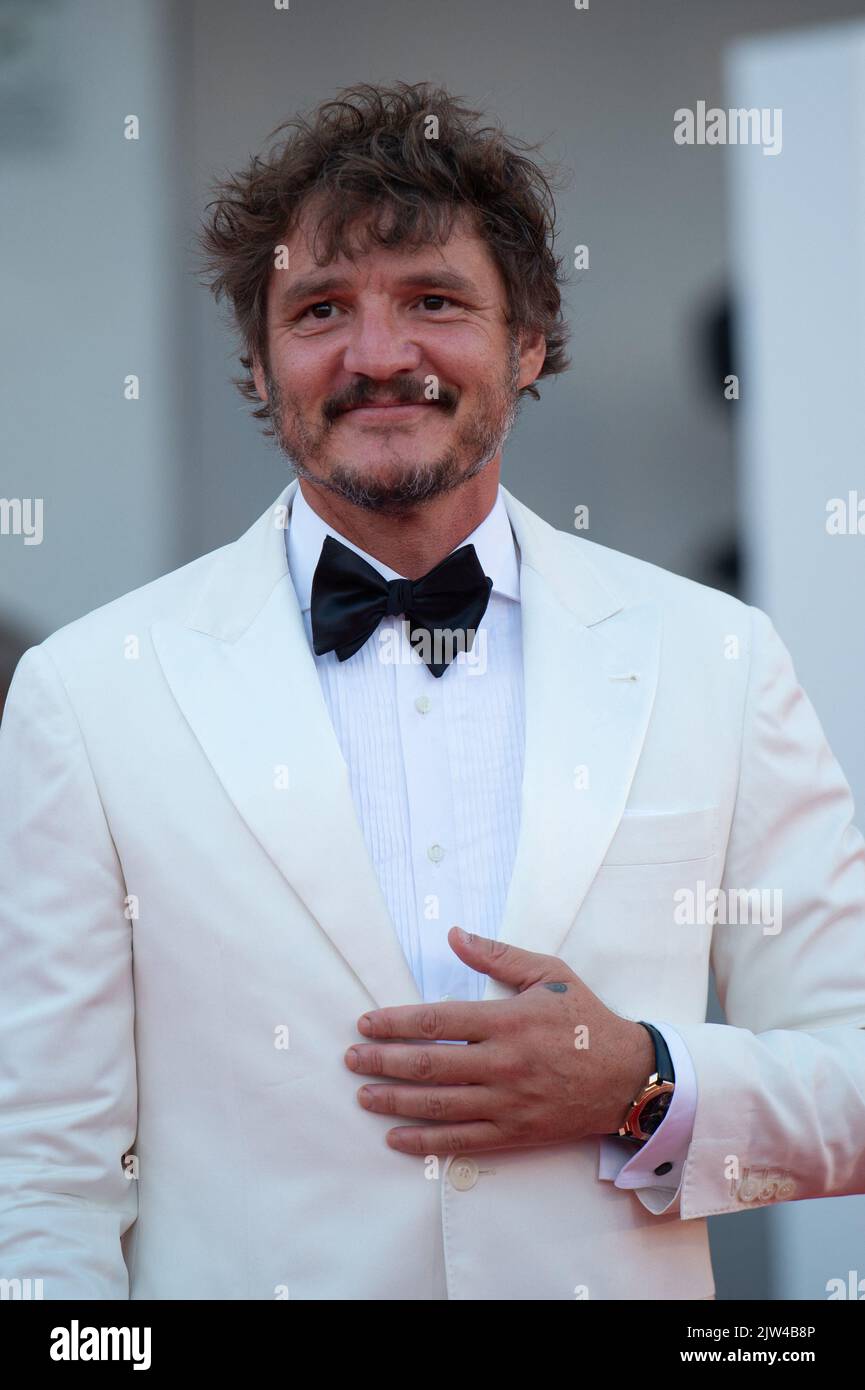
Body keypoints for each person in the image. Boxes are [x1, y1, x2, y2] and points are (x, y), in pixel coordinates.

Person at [1, 81, 864, 1302]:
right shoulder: (86, 693)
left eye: (434, 301)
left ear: (528, 344)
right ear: (259, 363)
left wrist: (641, 1081)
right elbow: (43, 1178)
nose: (377, 355)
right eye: (319, 310)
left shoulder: (714, 656)